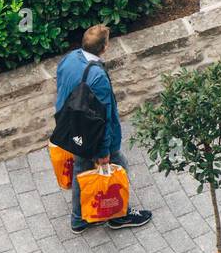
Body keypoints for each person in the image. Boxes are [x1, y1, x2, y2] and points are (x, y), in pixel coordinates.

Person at [54, 24, 152, 234]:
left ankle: (79, 219)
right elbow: (104, 117)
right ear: (104, 47)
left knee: (82, 168)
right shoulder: (97, 77)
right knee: (119, 167)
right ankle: (120, 215)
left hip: (73, 128)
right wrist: (104, 152)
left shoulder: (70, 59)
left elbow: (61, 88)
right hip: (94, 136)